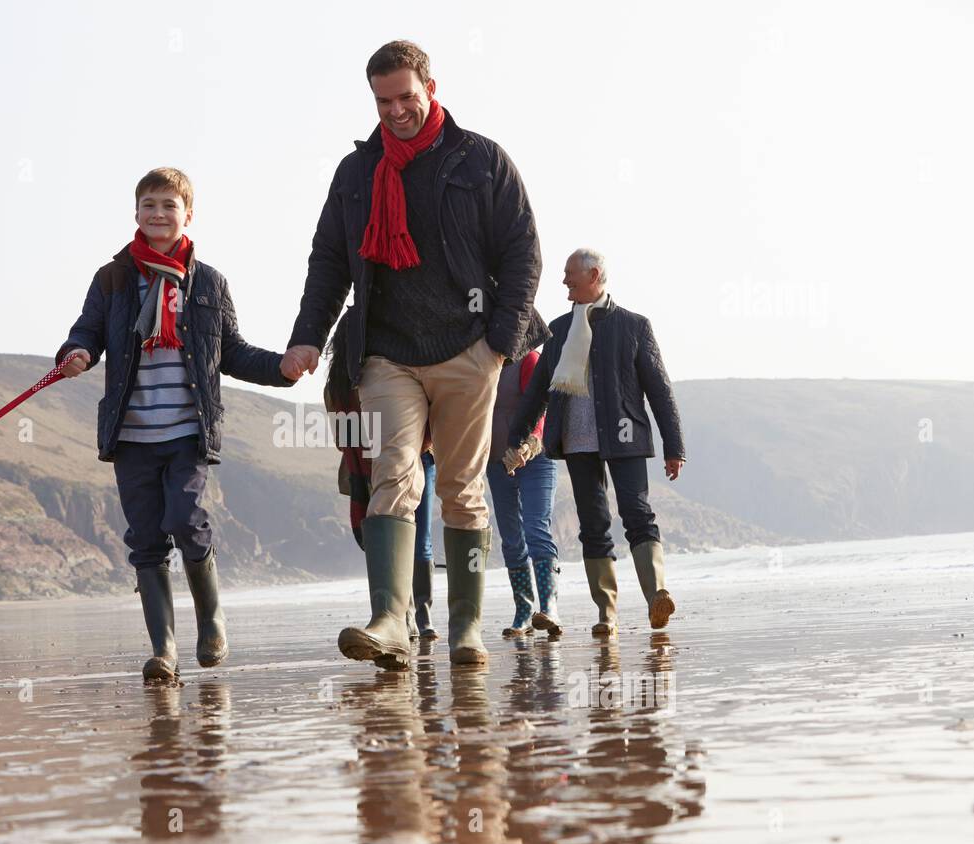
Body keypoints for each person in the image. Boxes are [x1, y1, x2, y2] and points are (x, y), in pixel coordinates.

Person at [280, 39, 547, 670]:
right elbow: (329, 262)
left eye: (405, 96)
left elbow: (523, 253)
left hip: (468, 348)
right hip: (386, 353)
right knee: (391, 476)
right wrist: (307, 336)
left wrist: (499, 346)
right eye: (383, 100)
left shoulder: (480, 160)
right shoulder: (356, 174)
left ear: (430, 86)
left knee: (461, 488)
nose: (395, 110)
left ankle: (467, 629)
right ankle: (391, 622)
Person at [57, 167, 293, 683]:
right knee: (145, 539)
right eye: (148, 205)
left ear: (189, 214)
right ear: (136, 213)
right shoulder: (113, 278)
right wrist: (75, 352)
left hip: (188, 430)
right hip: (131, 434)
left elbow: (231, 352)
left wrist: (281, 368)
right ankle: (163, 651)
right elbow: (88, 331)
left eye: (169, 205)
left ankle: (211, 620)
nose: (158, 214)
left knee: (186, 519)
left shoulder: (208, 281)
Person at [504, 249, 686, 637]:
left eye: (570, 274)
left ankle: (657, 596)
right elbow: (537, 393)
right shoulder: (557, 333)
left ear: (595, 275)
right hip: (577, 442)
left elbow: (660, 390)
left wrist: (675, 447)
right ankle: (607, 613)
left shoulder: (633, 326)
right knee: (594, 524)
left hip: (626, 436)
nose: (564, 281)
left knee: (637, 513)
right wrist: (516, 440)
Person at [323, 323, 439, 640]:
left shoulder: (343, 384)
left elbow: (343, 438)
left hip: (399, 461)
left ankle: (414, 615)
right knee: (413, 536)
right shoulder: (342, 385)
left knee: (405, 536)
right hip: (384, 463)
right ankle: (407, 615)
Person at [486, 348, 562, 639]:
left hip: (536, 458)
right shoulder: (479, 364)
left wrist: (527, 446)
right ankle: (523, 611)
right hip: (496, 461)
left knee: (536, 528)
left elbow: (541, 407)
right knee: (511, 538)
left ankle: (549, 608)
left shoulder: (529, 359)